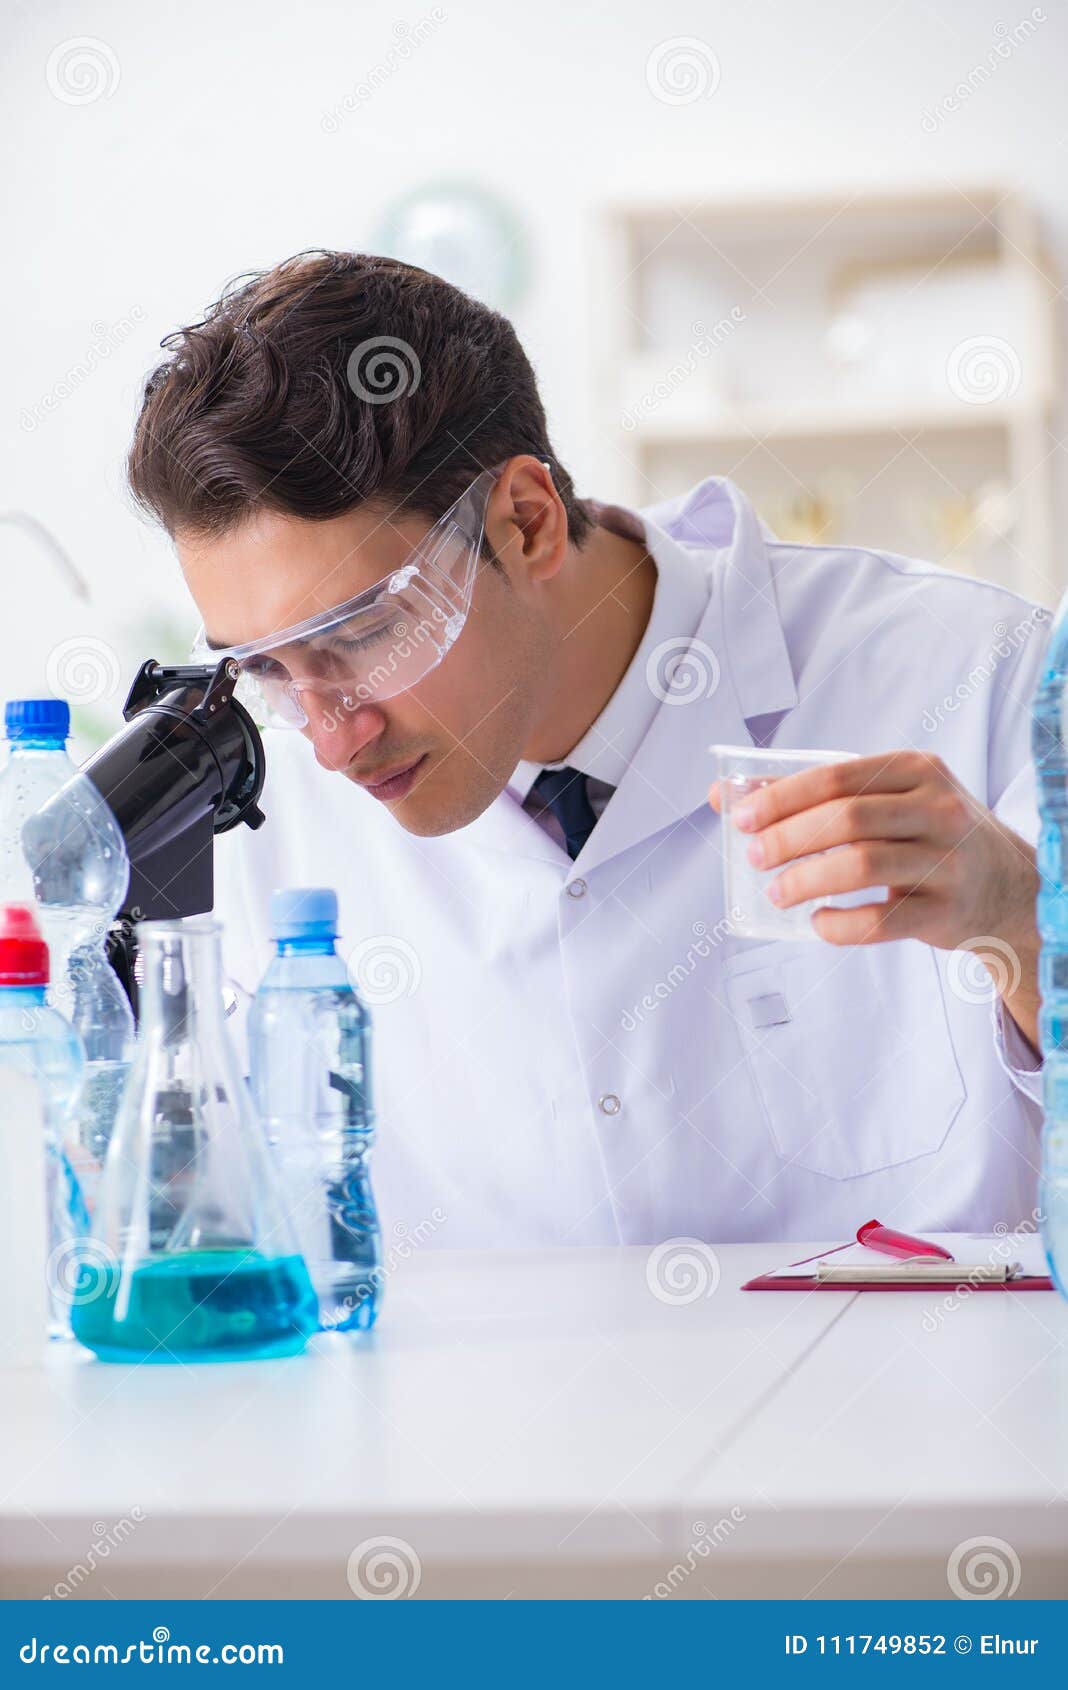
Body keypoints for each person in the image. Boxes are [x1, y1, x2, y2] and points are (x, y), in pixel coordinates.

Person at [126, 249, 1049, 1247]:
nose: (331, 740)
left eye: (362, 635)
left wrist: (1025, 922)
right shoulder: (270, 819)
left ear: (525, 523)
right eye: (265, 666)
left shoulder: (979, 677)